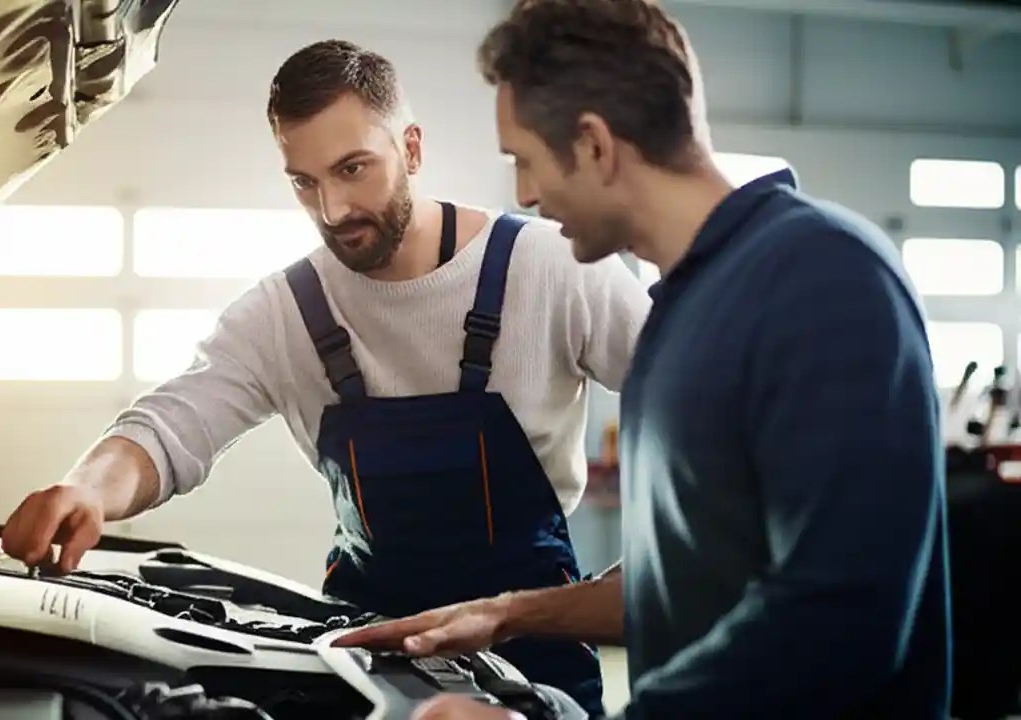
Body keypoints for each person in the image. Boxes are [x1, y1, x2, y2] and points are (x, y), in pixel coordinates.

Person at [333, 1, 952, 719]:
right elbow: (689, 583)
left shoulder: (823, 277)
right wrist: (505, 614)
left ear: (594, 145)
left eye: (525, 161)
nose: (526, 195)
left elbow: (843, 620)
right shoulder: (678, 314)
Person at [0, 38, 652, 715]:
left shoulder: (553, 269)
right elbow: (169, 425)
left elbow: (700, 406)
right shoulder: (285, 314)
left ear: (414, 149)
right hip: (363, 664)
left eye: (354, 168)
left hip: (531, 660)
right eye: (305, 183)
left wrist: (648, 578)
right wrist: (87, 489)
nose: (333, 209)